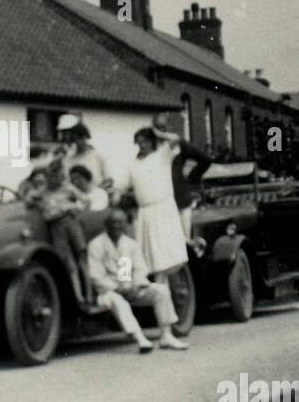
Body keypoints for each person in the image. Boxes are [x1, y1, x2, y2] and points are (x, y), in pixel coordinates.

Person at [87, 209, 189, 352]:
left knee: (161, 291)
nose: (116, 226)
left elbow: (141, 269)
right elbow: (96, 276)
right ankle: (140, 338)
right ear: (107, 225)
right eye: (113, 223)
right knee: (117, 300)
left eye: (120, 223)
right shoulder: (96, 245)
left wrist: (135, 285)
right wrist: (117, 288)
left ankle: (167, 335)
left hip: (131, 288)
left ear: (125, 225)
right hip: (107, 293)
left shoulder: (130, 244)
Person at [112, 118, 190, 281]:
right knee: (150, 257)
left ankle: (171, 287)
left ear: (151, 142)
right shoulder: (132, 165)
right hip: (146, 213)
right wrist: (113, 192)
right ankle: (157, 288)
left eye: (145, 141)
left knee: (166, 254)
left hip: (164, 209)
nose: (142, 145)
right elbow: (121, 185)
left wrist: (159, 133)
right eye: (139, 142)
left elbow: (177, 139)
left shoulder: (162, 156)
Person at [28, 162, 92, 303]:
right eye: (52, 176)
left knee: (82, 258)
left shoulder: (68, 188)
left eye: (58, 176)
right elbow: (32, 202)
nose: (55, 179)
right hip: (56, 228)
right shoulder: (43, 192)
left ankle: (89, 294)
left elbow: (85, 199)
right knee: (68, 263)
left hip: (72, 223)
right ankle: (78, 296)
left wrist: (73, 206)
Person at [57, 114, 113, 197]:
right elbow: (67, 182)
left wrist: (96, 194)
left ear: (85, 136)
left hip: (96, 200)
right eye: (74, 139)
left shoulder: (98, 155)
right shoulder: (67, 159)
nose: (78, 142)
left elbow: (109, 180)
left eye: (81, 138)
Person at [171, 138, 213, 241]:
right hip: (159, 203)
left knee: (183, 241)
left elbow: (205, 159)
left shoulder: (178, 145)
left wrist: (191, 179)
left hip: (179, 199)